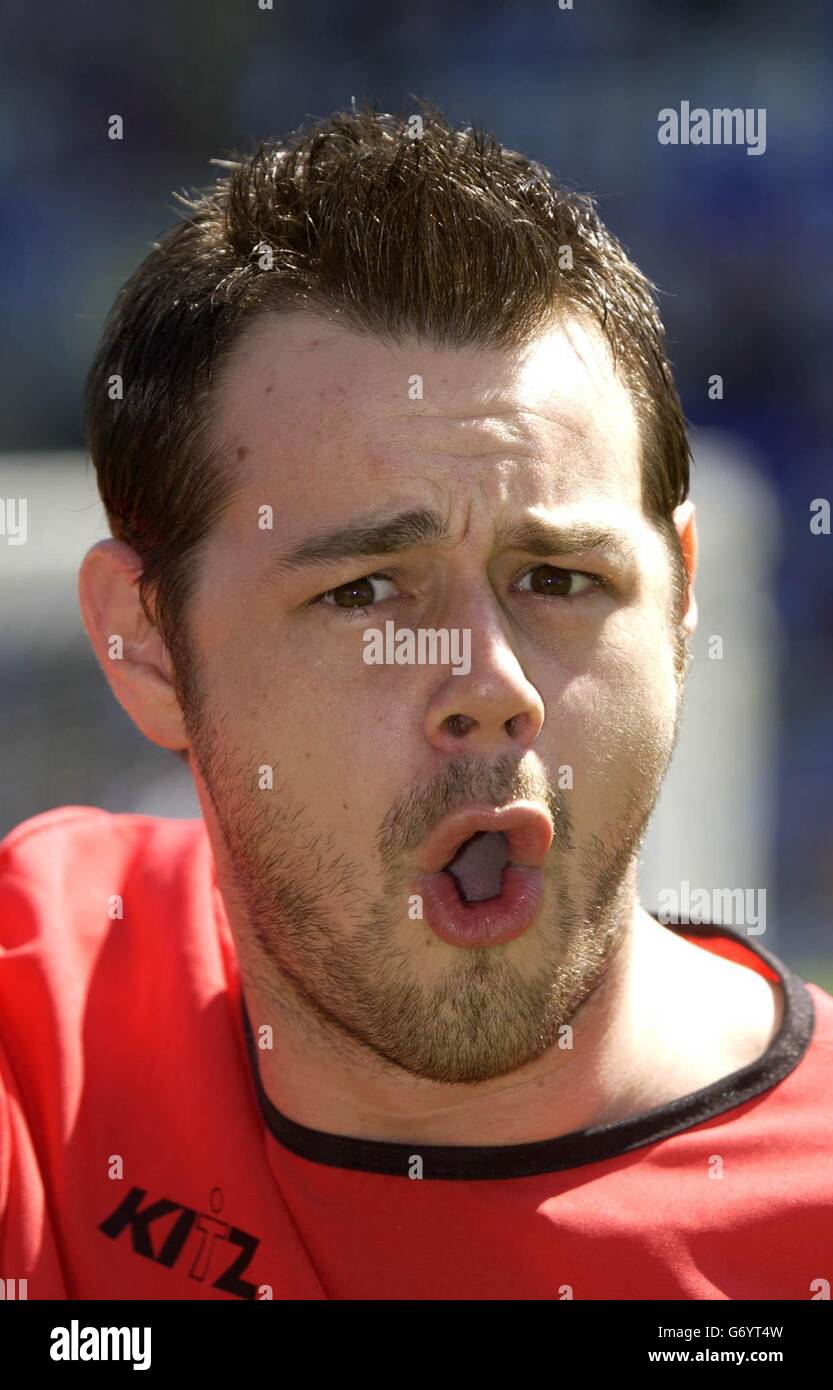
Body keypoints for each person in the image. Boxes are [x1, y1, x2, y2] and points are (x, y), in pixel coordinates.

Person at [1, 103, 830, 1301]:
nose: (488, 685)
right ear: (145, 645)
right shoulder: (48, 1017)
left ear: (679, 600)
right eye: (366, 591)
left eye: (559, 580)